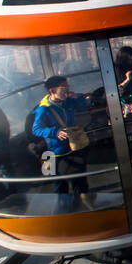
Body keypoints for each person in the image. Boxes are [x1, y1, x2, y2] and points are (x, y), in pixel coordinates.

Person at [32, 75, 92, 208]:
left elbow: (83, 106)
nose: (66, 91)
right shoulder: (44, 109)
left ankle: (84, 206)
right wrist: (55, 132)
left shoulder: (68, 101)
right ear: (52, 91)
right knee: (60, 184)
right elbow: (36, 129)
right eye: (63, 88)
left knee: (80, 180)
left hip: (74, 147)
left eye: (67, 87)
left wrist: (79, 97)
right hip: (57, 152)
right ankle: (64, 208)